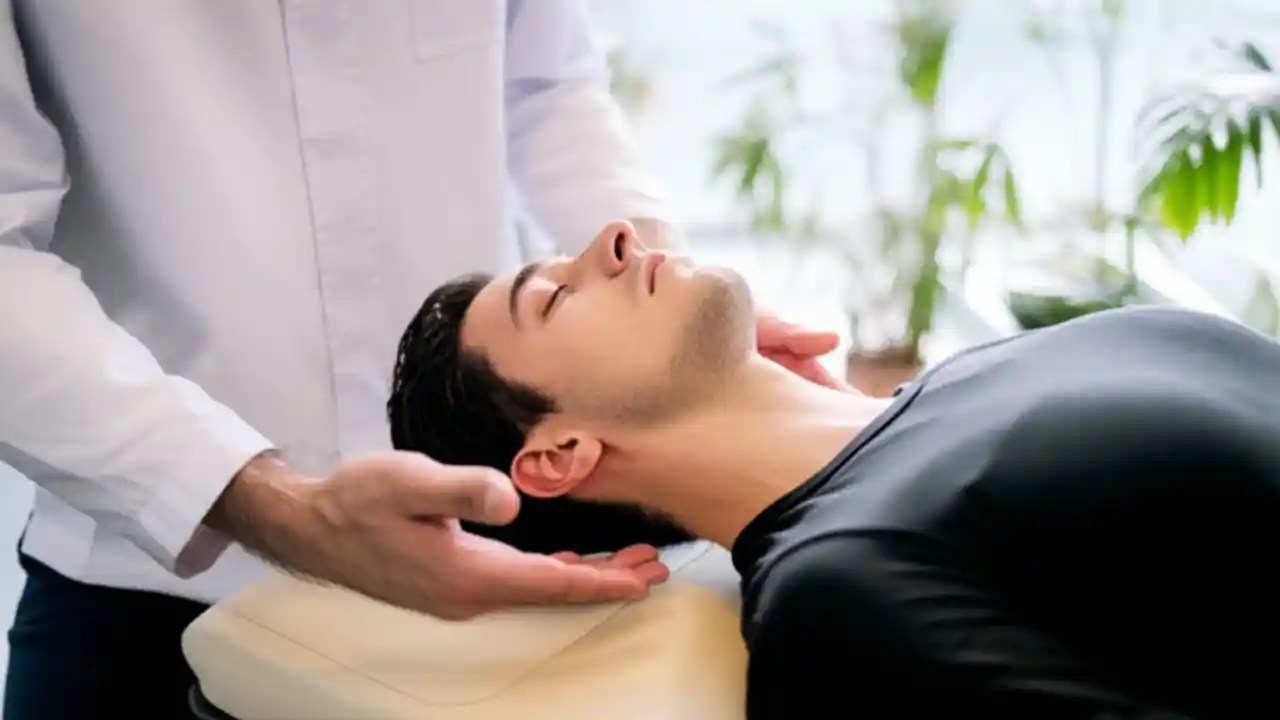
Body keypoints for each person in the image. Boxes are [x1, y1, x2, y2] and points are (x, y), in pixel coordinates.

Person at [0, 3, 843, 717]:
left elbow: (548, 88)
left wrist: (675, 321)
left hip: (512, 559)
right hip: (134, 574)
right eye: (549, 292)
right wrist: (268, 503)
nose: (615, 246)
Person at [390, 218, 1280, 719]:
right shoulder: (840, 591)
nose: (614, 237)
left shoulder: (975, 370)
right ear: (556, 457)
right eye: (553, 298)